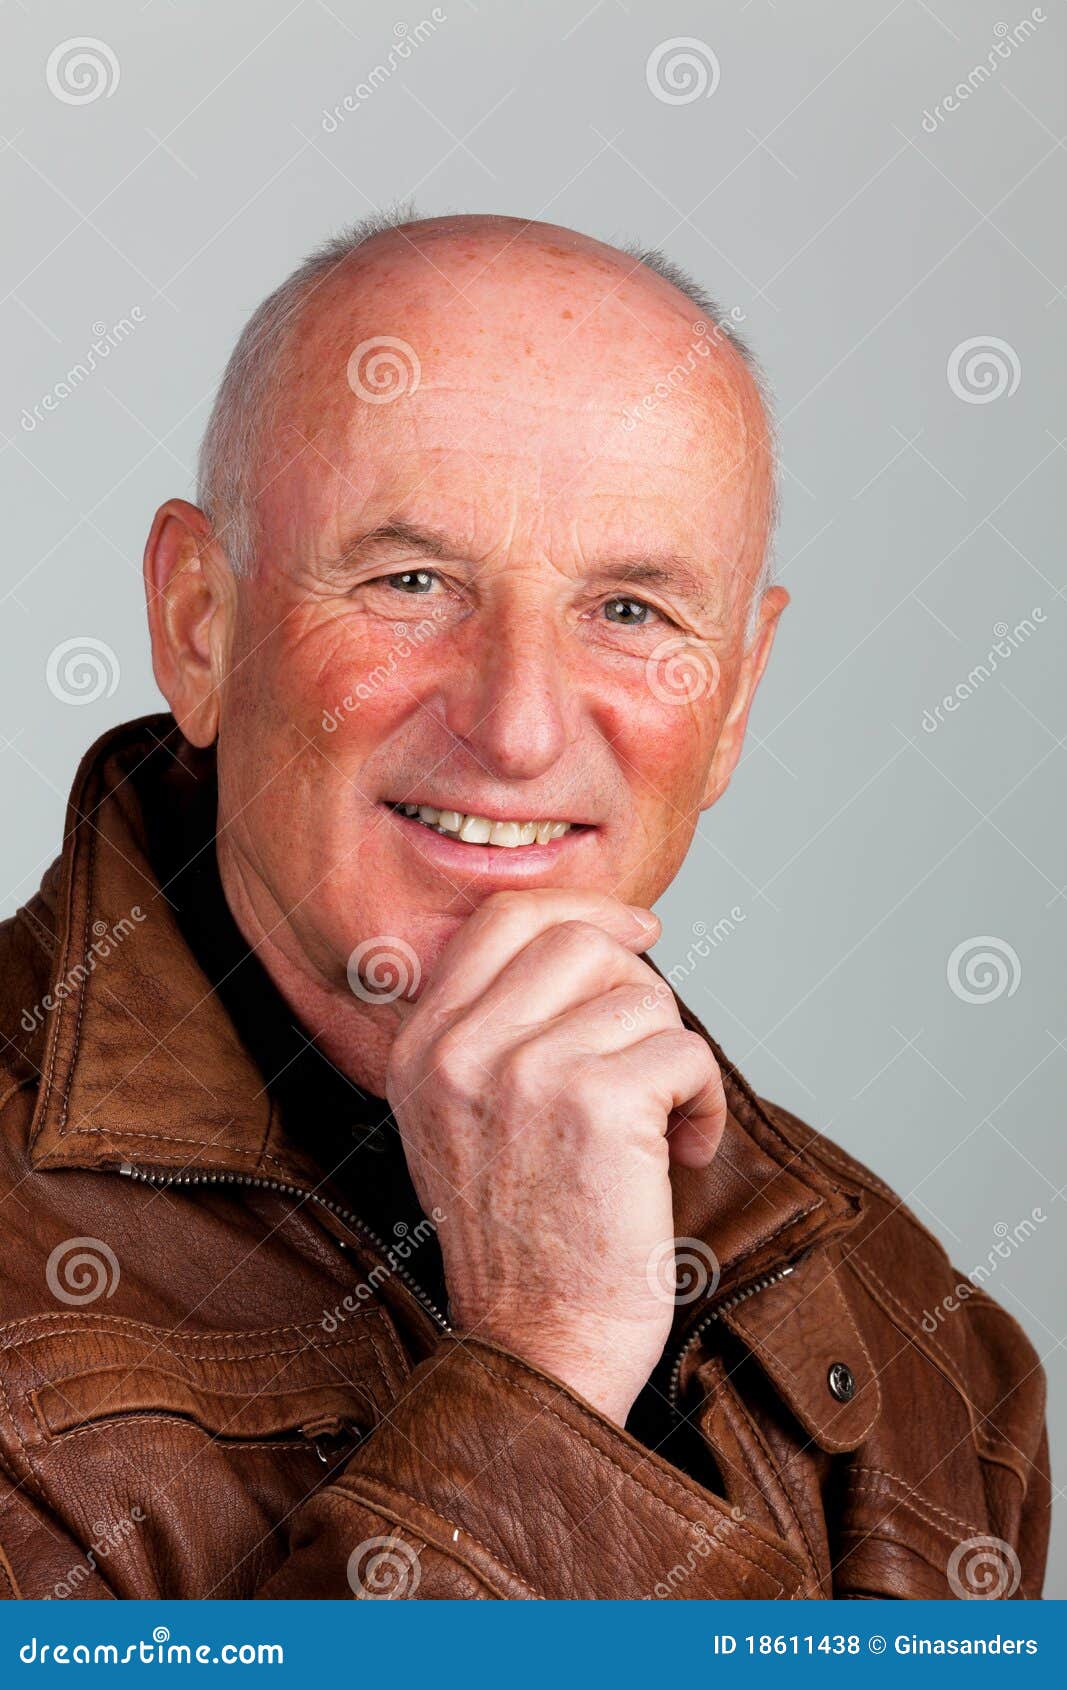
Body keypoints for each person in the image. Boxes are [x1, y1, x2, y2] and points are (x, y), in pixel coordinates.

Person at [0, 213, 1048, 1600]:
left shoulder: (924, 1337)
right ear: (202, 621)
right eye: (411, 580)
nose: (517, 724)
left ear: (733, 697)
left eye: (629, 609)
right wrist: (544, 1360)